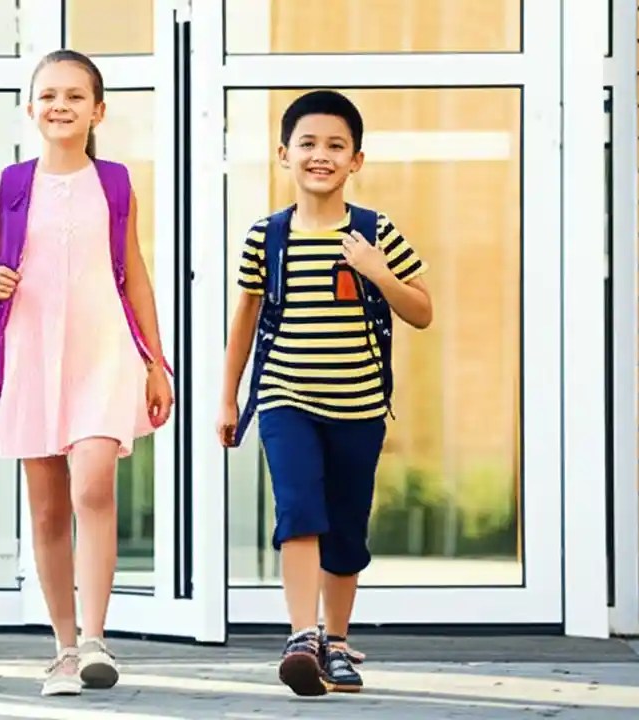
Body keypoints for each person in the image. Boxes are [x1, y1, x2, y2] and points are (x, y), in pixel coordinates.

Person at [0, 49, 174, 697]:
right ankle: (62, 646)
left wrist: (156, 360)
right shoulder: (11, 182)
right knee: (49, 507)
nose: (60, 105)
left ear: (98, 110)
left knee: (93, 486)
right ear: (30, 108)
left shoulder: (115, 182)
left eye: (75, 96)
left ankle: (95, 638)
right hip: (33, 353)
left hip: (103, 351)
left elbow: (133, 273)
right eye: (48, 95)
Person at [217, 90, 433, 697]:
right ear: (283, 154)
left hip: (360, 407)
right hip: (286, 398)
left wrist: (377, 270)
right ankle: (300, 637)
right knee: (299, 511)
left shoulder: (376, 231)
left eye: (336, 146)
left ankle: (336, 643)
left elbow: (421, 311)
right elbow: (245, 322)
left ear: (356, 160)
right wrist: (227, 398)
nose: (321, 156)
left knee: (345, 528)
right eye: (307, 144)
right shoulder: (268, 236)